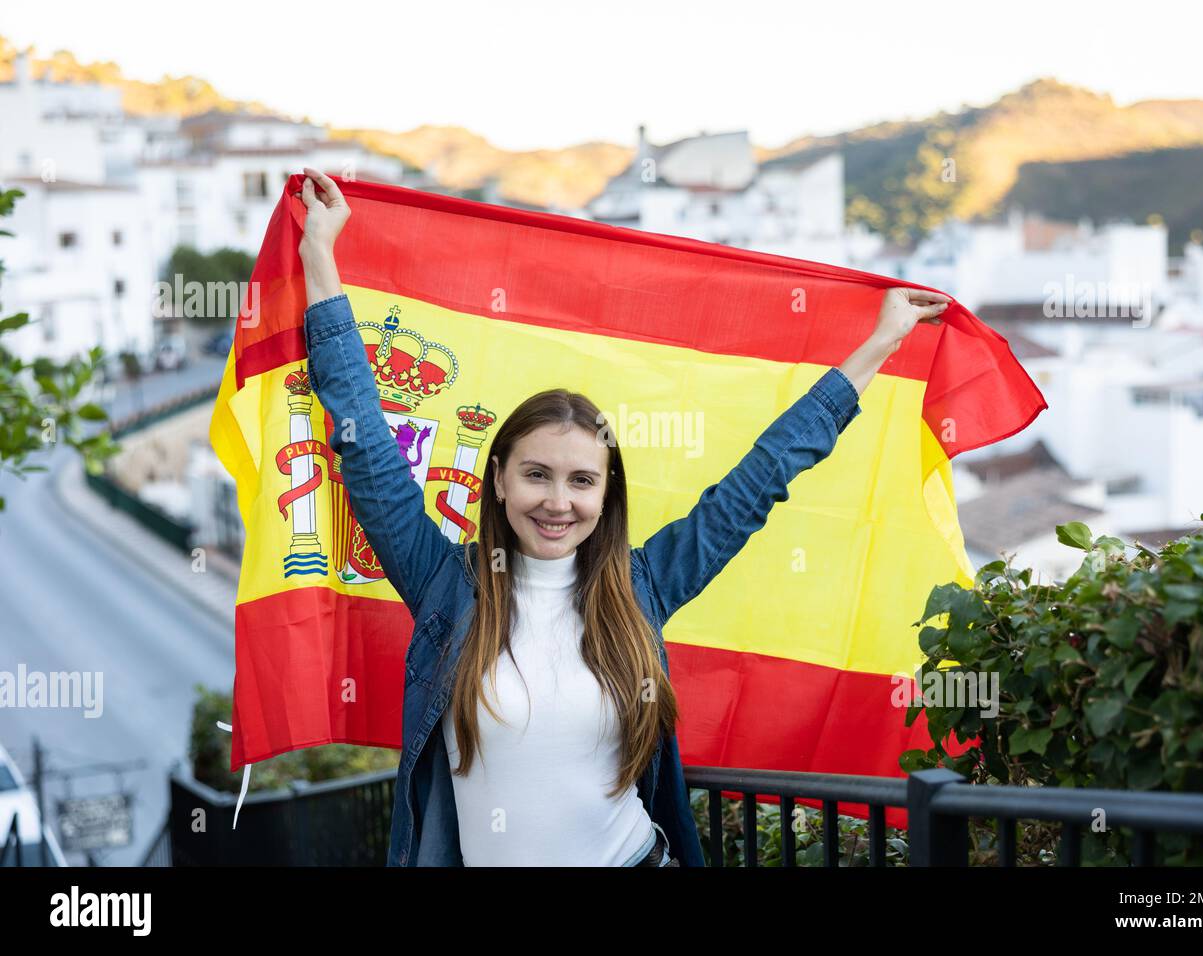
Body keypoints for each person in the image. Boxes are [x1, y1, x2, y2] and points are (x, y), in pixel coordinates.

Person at [294, 166, 949, 866]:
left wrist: (881, 342)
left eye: (582, 481)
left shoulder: (644, 584)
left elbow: (759, 480)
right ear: (500, 482)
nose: (557, 501)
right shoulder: (444, 585)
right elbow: (365, 446)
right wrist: (320, 256)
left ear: (606, 495)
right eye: (536, 475)